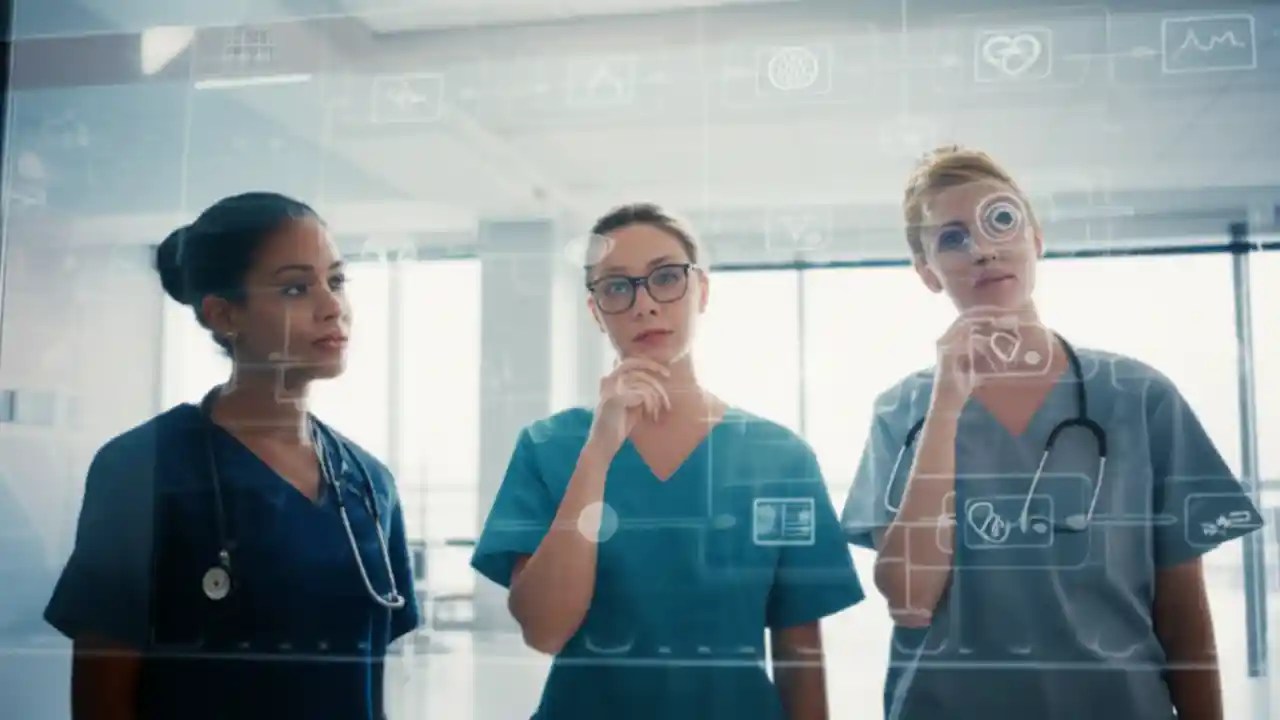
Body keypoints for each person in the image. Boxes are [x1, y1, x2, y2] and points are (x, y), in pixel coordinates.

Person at [840, 146, 1263, 720]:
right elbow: (910, 601)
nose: (983, 249)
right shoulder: (903, 412)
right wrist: (945, 410)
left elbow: (1185, 617)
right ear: (926, 272)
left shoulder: (1139, 399)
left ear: (1035, 237)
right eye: (952, 239)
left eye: (1001, 221)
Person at [471, 203, 863, 719]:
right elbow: (544, 630)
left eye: (666, 278)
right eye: (617, 287)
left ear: (701, 291)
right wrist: (598, 452)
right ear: (595, 311)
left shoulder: (780, 458)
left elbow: (799, 652)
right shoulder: (549, 448)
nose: (645, 304)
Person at [44, 192, 419, 720]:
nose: (332, 306)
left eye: (335, 280)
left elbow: (374, 685)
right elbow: (101, 699)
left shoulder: (369, 483)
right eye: (295, 287)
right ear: (223, 315)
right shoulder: (143, 468)